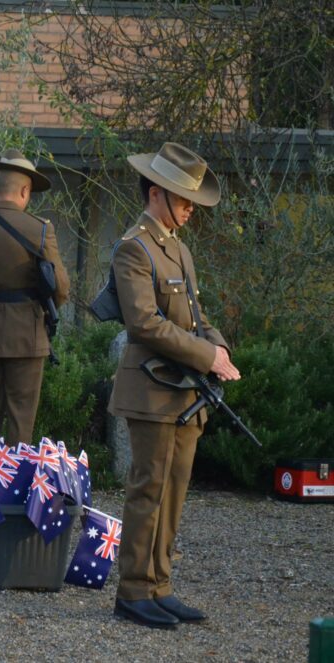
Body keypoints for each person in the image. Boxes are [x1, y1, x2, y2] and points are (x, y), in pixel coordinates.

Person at [109, 142, 240, 629]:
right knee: (149, 490)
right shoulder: (134, 247)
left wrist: (219, 350)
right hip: (151, 389)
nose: (190, 209)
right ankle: (134, 590)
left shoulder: (178, 248)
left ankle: (159, 584)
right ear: (158, 193)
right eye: (185, 200)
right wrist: (207, 355)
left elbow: (195, 315)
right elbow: (144, 323)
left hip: (185, 393)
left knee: (174, 492)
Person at [0, 150, 69, 445]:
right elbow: (61, 289)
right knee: (22, 418)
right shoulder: (41, 230)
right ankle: (16, 485)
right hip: (27, 334)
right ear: (25, 190)